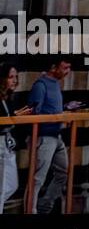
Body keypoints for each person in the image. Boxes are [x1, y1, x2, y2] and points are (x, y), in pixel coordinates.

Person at [28, 54, 82, 214]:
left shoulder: (55, 84)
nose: (68, 71)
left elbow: (50, 107)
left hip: (56, 135)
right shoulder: (41, 85)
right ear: (53, 68)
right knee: (37, 178)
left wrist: (65, 107)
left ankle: (44, 206)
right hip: (43, 136)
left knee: (63, 172)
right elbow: (33, 111)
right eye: (65, 68)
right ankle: (31, 210)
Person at [0, 61, 32, 214]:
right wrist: (13, 117)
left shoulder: (7, 98)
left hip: (7, 144)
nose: (14, 80)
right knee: (1, 187)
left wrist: (15, 116)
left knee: (11, 185)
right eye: (10, 77)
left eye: (16, 77)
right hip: (1, 144)